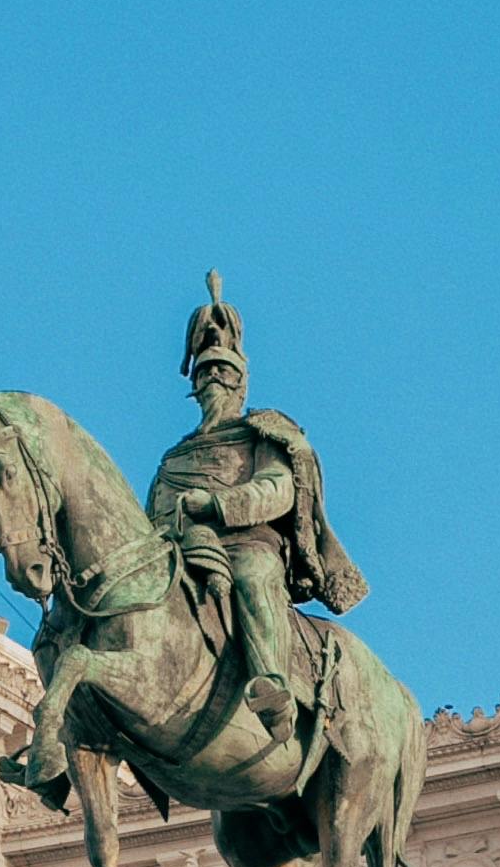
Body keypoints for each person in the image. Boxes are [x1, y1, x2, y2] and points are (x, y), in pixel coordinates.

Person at [143, 276, 365, 733]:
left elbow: (277, 489)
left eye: (221, 377)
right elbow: (151, 516)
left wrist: (217, 504)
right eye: (204, 378)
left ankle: (271, 684)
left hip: (249, 543)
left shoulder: (263, 432)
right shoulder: (174, 457)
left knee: (252, 575)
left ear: (240, 385)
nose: (211, 385)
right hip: (183, 549)